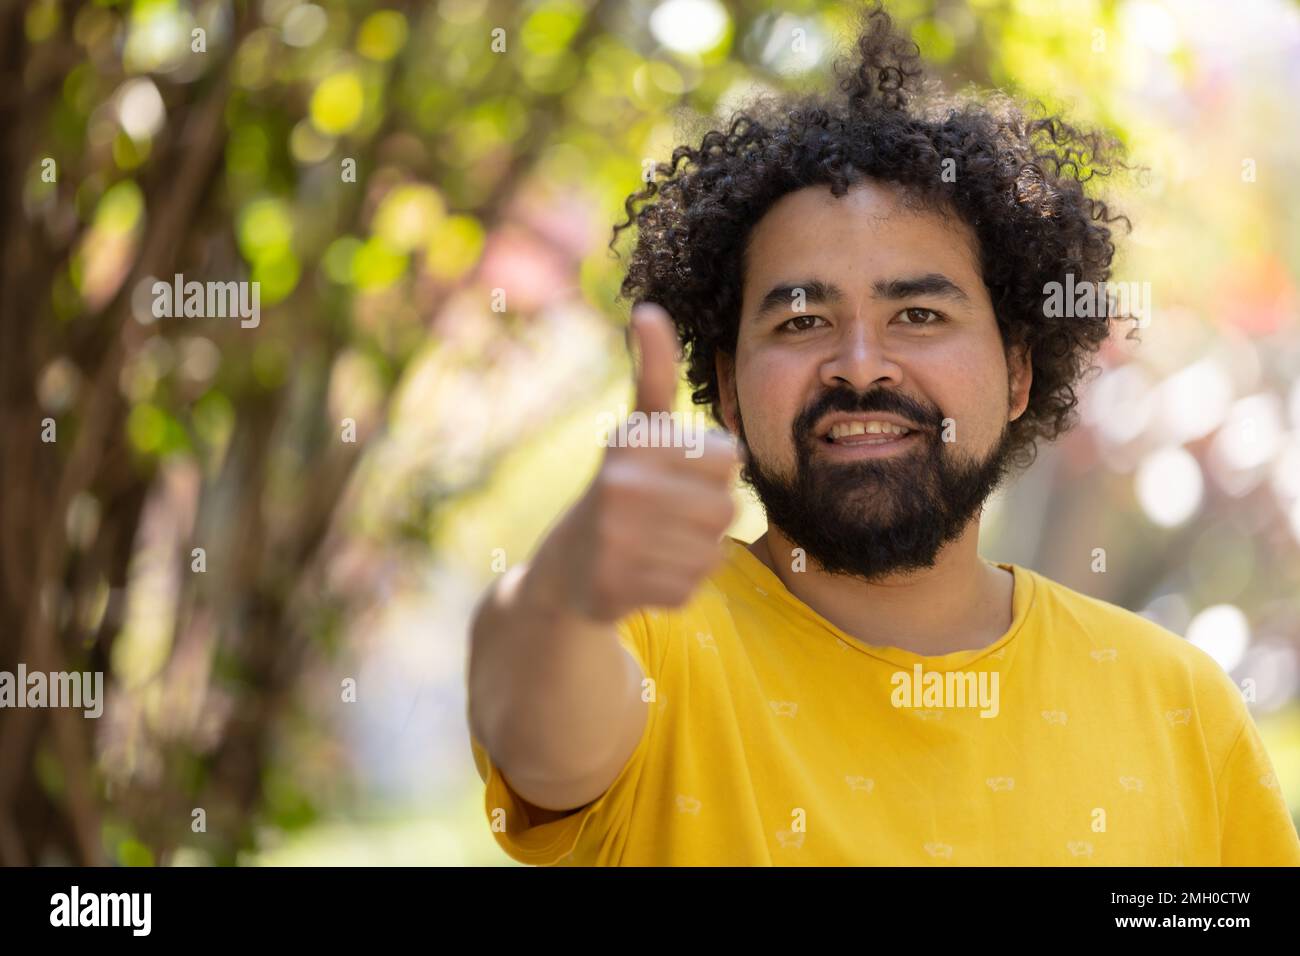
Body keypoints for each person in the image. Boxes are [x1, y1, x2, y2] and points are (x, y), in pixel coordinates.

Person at [464, 4, 1300, 866]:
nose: (861, 367)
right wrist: (565, 582)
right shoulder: (645, 641)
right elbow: (535, 732)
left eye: (919, 314)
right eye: (800, 322)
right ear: (725, 388)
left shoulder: (1179, 706)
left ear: (1018, 372)